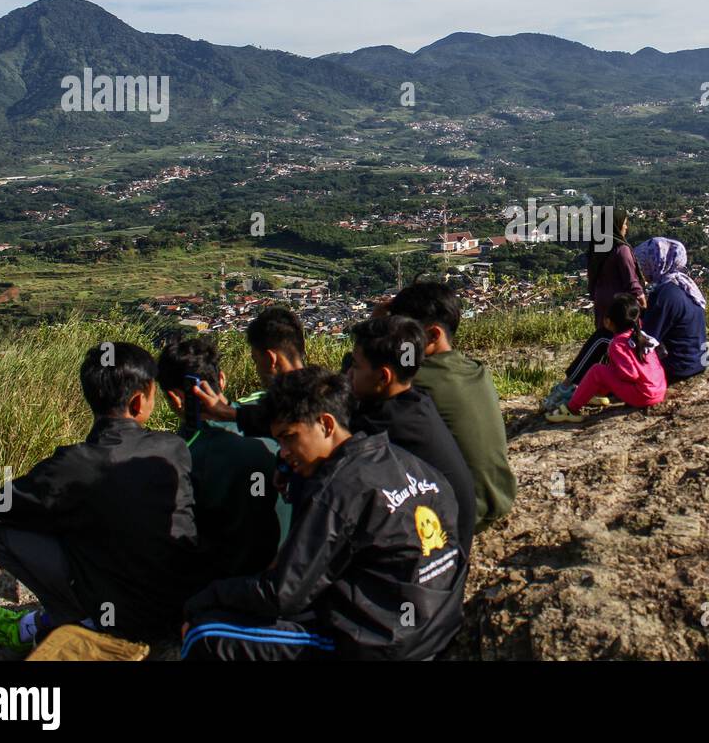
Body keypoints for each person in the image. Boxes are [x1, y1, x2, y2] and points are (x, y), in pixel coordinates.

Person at [181, 367, 468, 661]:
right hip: (438, 624)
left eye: (289, 437)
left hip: (382, 645)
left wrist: (206, 598)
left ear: (326, 424)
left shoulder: (337, 490)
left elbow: (282, 595)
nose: (284, 452)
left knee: (203, 634)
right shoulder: (413, 465)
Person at [0, 342, 201, 653]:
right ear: (139, 402)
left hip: (123, 616)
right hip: (176, 609)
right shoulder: (173, 448)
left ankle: (71, 622)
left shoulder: (69, 466)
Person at [386, 281, 516, 532]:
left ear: (433, 335)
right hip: (498, 497)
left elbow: (356, 389)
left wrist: (376, 327)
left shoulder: (417, 382)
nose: (396, 342)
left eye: (401, 335)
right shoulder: (475, 370)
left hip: (461, 514)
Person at [156, 337, 285, 578]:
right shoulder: (279, 426)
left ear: (174, 399)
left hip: (224, 588)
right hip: (290, 576)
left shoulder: (179, 458)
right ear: (223, 379)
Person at [347, 315, 477, 551]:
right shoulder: (418, 401)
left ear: (383, 377)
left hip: (436, 555)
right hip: (456, 543)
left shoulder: (377, 429)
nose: (348, 375)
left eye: (355, 366)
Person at [545, 207, 646, 408]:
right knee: (607, 344)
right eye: (624, 223)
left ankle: (595, 387)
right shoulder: (621, 249)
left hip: (603, 304)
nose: (626, 227)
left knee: (607, 346)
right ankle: (569, 389)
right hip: (620, 309)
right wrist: (642, 300)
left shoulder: (599, 246)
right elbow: (632, 281)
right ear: (616, 226)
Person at [546, 292, 667, 423]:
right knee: (607, 370)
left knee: (597, 370)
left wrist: (612, 374)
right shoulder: (641, 336)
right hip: (658, 389)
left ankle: (571, 409)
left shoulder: (618, 344)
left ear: (608, 322)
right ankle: (594, 394)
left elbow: (630, 374)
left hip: (643, 396)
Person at [191, 306, 306, 439]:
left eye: (256, 360)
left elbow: (281, 422)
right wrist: (228, 411)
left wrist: (228, 412)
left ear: (271, 359)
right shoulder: (323, 392)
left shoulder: (298, 412)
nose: (257, 369)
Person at [633, 236, 709, 383]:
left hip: (680, 367)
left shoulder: (664, 294)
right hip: (698, 360)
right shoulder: (685, 284)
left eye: (643, 264)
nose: (641, 270)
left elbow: (647, 340)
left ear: (655, 263)